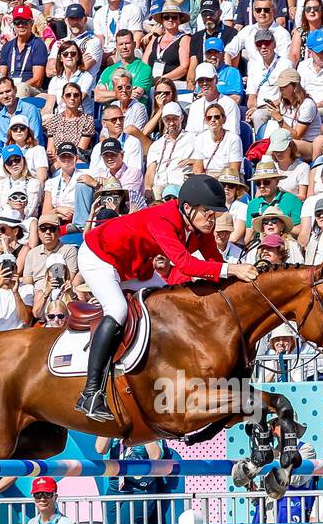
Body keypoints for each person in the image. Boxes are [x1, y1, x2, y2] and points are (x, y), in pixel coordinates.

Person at [74, 174, 258, 420]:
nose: (212, 218)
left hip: (134, 265)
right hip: (100, 257)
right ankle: (91, 393)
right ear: (187, 208)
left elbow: (215, 263)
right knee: (117, 309)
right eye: (207, 212)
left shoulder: (199, 227)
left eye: (215, 213)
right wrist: (233, 269)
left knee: (168, 298)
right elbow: (185, 264)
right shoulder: (163, 219)